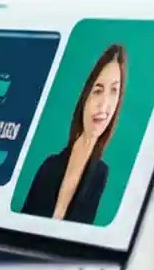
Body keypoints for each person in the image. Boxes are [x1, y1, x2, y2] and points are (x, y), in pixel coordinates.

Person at [20, 44, 127, 224]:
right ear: (84, 96)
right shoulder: (49, 166)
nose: (104, 105)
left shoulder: (100, 174)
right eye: (98, 90)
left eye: (114, 91)